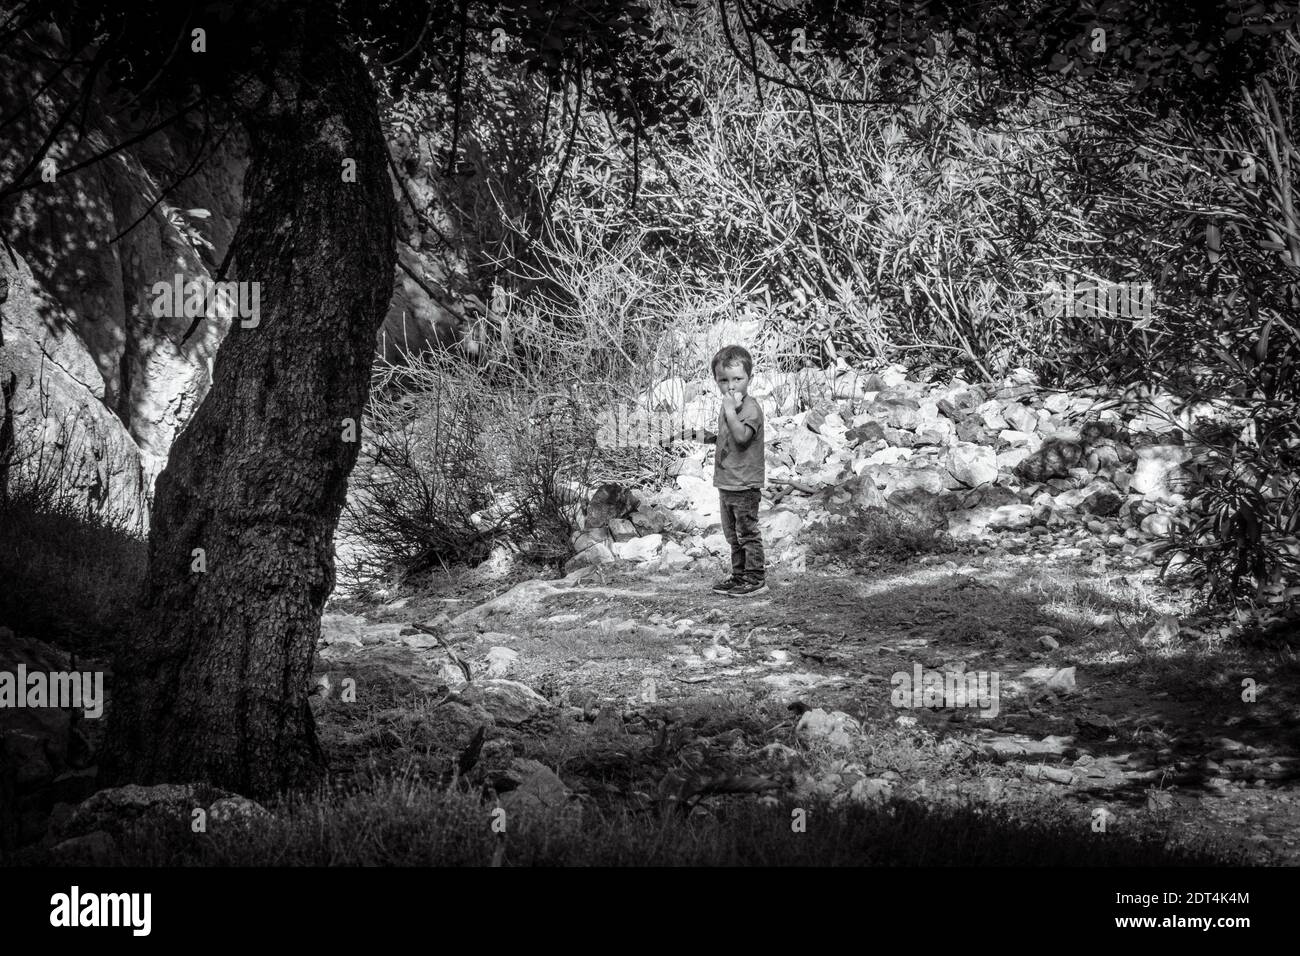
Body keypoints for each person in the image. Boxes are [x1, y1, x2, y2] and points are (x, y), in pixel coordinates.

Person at [692, 345, 768, 597]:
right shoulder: (729, 407)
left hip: (745, 484)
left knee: (747, 533)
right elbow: (728, 438)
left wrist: (728, 411)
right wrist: (700, 436)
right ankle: (739, 576)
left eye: (737, 379)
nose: (730, 386)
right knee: (732, 535)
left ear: (750, 378)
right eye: (723, 380)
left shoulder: (750, 408)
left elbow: (742, 436)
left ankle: (755, 577)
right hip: (726, 482)